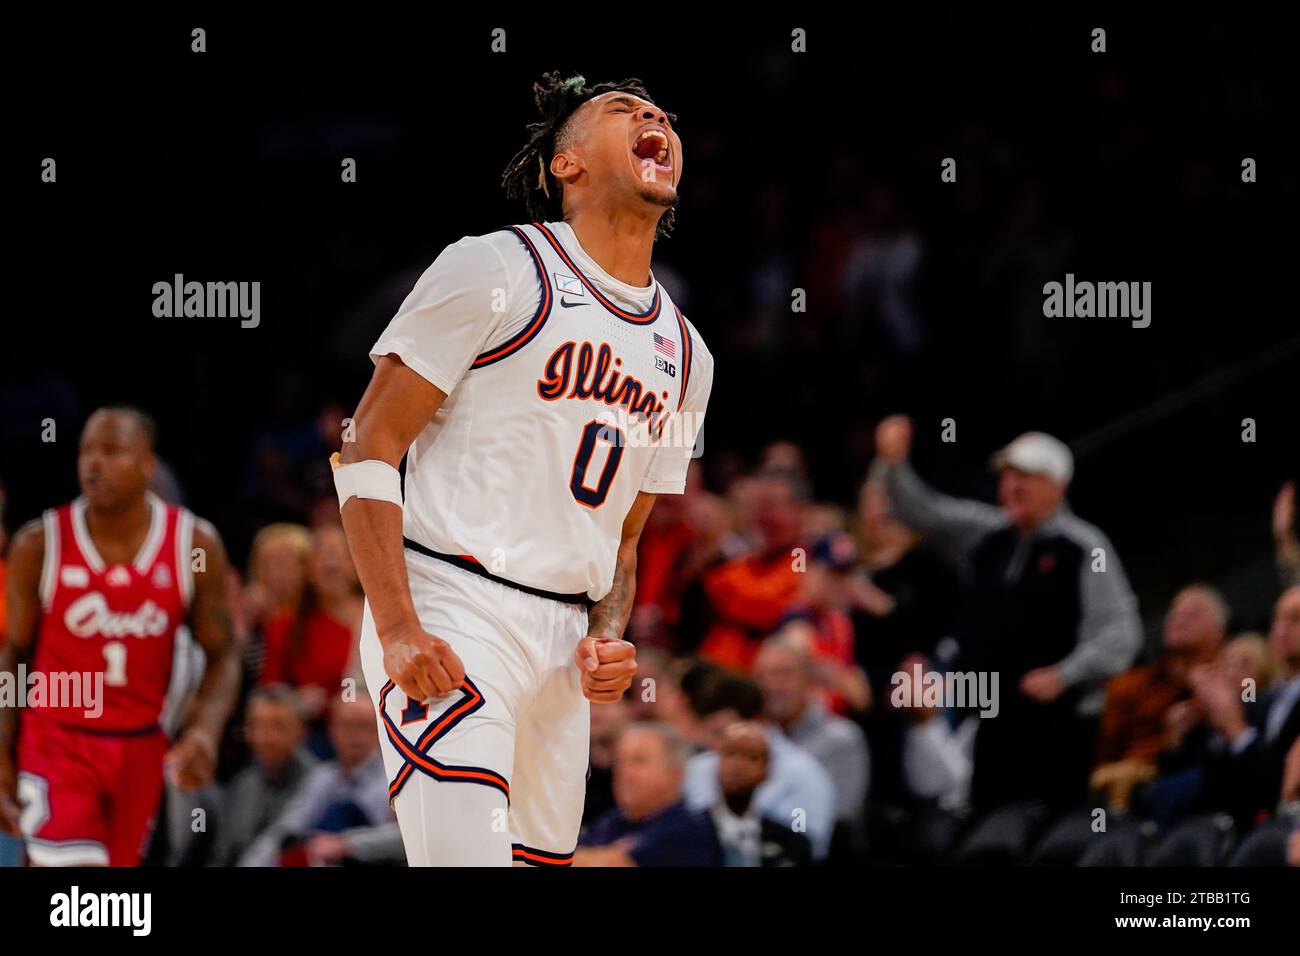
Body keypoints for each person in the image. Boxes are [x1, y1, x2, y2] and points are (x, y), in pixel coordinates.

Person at [336, 71, 714, 866]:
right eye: (625, 110)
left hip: (560, 650)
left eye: (663, 114)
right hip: (452, 604)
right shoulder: (494, 267)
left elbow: (625, 538)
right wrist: (399, 626)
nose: (655, 118)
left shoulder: (688, 357)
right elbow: (367, 446)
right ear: (567, 163)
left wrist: (610, 635)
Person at [0, 407, 240, 865]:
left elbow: (223, 654)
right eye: (86, 451)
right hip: (57, 741)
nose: (93, 463)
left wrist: (205, 732)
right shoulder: (39, 544)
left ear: (148, 465)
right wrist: (2, 755)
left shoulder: (193, 545)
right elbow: (12, 655)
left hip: (142, 747)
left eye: (111, 451)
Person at [872, 416, 1142, 812]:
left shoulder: (1085, 546)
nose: (1012, 486)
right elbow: (924, 513)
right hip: (993, 716)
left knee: (1044, 833)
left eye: (1025, 477)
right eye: (1007, 476)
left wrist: (1064, 674)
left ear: (1057, 485)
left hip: (1057, 726)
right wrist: (892, 464)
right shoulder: (990, 534)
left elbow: (1123, 632)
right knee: (987, 830)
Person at [237, 696, 401, 867]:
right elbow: (287, 828)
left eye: (364, 726)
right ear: (332, 730)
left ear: (379, 730)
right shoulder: (322, 777)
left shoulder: (394, 779)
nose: (355, 734)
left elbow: (408, 837)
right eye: (347, 725)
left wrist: (347, 845)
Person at [576, 723, 722, 867]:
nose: (624, 771)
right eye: (620, 761)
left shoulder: (691, 827)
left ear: (675, 773)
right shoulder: (607, 823)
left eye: (638, 761)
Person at [212, 685, 319, 866]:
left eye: (278, 726)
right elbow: (221, 856)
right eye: (256, 724)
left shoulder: (318, 784)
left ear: (301, 731)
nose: (265, 737)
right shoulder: (243, 784)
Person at [709, 721, 812, 866]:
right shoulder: (685, 835)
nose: (739, 765)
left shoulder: (792, 844)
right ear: (716, 763)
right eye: (730, 753)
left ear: (767, 772)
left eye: (752, 757)